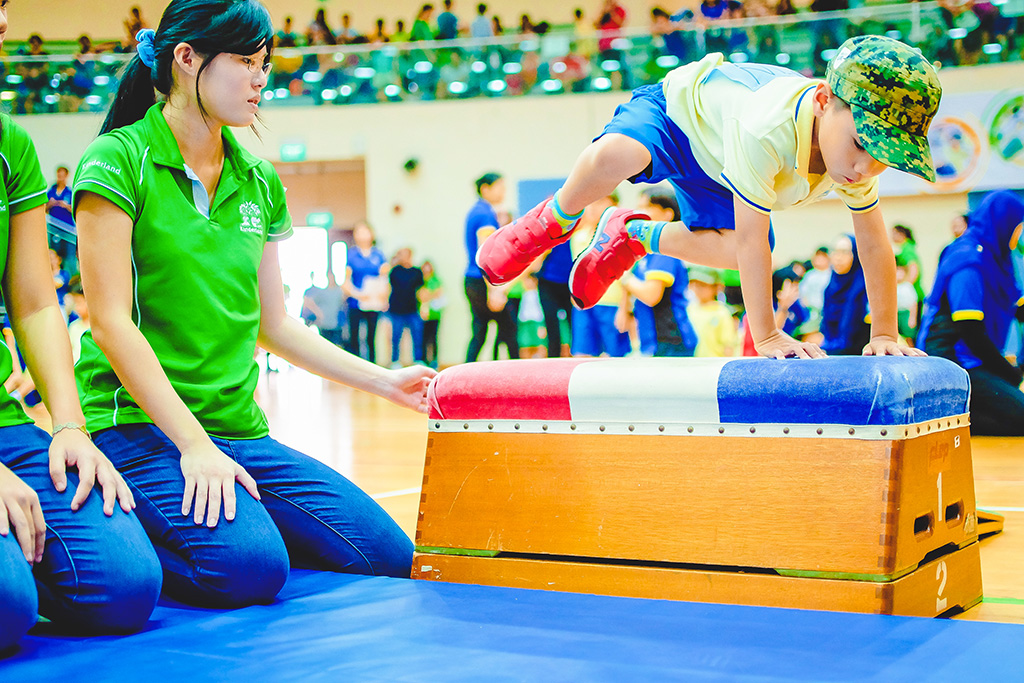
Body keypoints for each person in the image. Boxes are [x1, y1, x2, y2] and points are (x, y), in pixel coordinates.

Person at [72, 0, 435, 609]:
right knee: (250, 571)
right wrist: (192, 446)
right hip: (136, 428)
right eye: (244, 61)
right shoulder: (116, 160)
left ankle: (234, 526)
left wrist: (386, 383)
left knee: (386, 557)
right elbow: (108, 323)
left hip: (235, 431)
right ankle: (134, 532)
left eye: (264, 63)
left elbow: (276, 325)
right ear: (186, 59)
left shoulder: (260, 180)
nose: (261, 78)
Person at [477, 35, 939, 361]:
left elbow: (876, 245)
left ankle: (632, 233)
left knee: (728, 251)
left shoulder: (853, 162)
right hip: (677, 115)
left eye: (884, 157)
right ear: (822, 100)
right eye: (862, 144)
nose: (866, 168)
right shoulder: (769, 129)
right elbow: (753, 242)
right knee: (615, 154)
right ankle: (553, 218)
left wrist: (885, 332)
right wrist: (768, 335)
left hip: (719, 163)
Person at [0, 0, 161, 654]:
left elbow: (36, 302)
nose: (5, 25)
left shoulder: (12, 145)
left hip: (9, 429)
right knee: (10, 605)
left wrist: (69, 425)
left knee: (126, 584)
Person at [918, 191, 1024, 436]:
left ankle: (953, 413)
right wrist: (1009, 373)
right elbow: (970, 329)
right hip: (954, 363)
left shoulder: (997, 259)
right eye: (1018, 227)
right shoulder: (968, 260)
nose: (1018, 234)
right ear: (1003, 224)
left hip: (975, 361)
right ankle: (939, 419)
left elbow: (1017, 306)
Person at [621, 191, 699, 357]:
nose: (639, 213)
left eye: (647, 207)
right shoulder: (647, 253)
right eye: (639, 206)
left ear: (667, 214)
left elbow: (651, 295)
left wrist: (623, 275)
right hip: (653, 342)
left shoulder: (665, 251)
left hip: (671, 341)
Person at [464, 172, 518, 362]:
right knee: (509, 330)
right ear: (485, 189)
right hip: (481, 282)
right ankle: (519, 379)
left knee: (480, 331)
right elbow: (486, 254)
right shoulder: (485, 214)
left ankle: (462, 376)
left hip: (474, 281)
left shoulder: (477, 211)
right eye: (499, 186)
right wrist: (494, 289)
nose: (503, 191)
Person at [569, 195, 631, 358]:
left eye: (598, 202)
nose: (591, 208)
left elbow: (627, 277)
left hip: (613, 305)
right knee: (581, 355)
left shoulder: (622, 238)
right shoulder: (578, 238)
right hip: (583, 306)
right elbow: (577, 273)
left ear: (614, 205)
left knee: (615, 357)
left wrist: (624, 309)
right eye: (588, 203)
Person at [345, 221, 389, 364]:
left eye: (365, 231)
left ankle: (372, 367)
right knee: (355, 337)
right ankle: (355, 368)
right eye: (359, 232)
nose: (362, 235)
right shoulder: (351, 255)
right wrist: (357, 294)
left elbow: (385, 278)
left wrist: (384, 296)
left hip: (374, 302)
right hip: (356, 302)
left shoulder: (379, 255)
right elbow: (345, 281)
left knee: (371, 337)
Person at [820, 233, 870, 355]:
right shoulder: (830, 289)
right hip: (831, 352)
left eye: (844, 252)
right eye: (834, 251)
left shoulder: (866, 290)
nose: (838, 257)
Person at [687, 265, 737, 357]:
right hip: (692, 364)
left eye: (703, 285)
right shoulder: (689, 309)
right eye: (695, 284)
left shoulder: (722, 313)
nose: (698, 289)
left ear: (717, 287)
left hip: (713, 365)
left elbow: (728, 345)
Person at [388, 247, 425, 367]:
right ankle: (395, 361)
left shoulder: (417, 272)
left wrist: (424, 307)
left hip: (413, 309)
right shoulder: (395, 271)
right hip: (397, 310)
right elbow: (389, 287)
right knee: (396, 337)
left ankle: (418, 360)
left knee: (417, 336)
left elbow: (421, 290)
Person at [45, 166, 76, 268]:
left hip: (67, 229)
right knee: (55, 254)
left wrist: (66, 206)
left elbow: (75, 210)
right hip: (54, 229)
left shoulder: (70, 192)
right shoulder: (51, 192)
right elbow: (44, 209)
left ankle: (71, 279)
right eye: (59, 175)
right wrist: (51, 203)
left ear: (66, 176)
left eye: (62, 176)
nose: (60, 178)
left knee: (69, 256)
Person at [418, 260, 445, 369]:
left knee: (433, 338)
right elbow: (421, 295)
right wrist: (429, 294)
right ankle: (423, 360)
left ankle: (434, 360)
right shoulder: (420, 280)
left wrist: (429, 294)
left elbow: (438, 294)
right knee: (423, 339)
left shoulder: (436, 280)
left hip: (434, 315)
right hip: (422, 315)